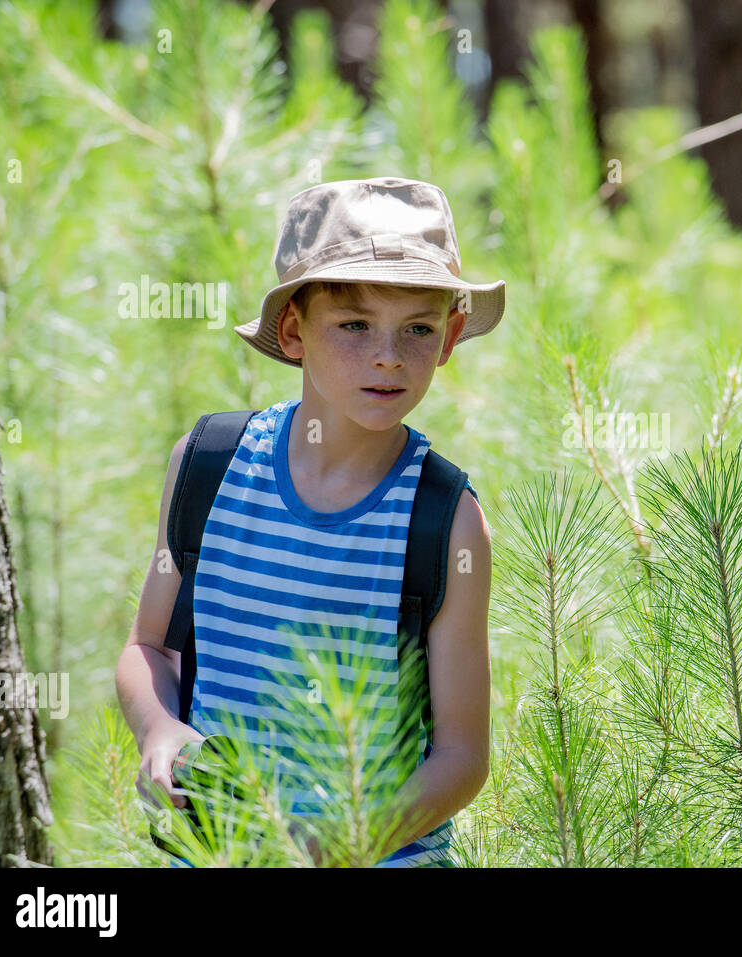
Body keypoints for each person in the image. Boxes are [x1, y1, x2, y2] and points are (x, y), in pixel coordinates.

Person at [115, 177, 502, 866]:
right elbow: (151, 648)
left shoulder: (444, 521)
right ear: (295, 331)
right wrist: (159, 730)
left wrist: (335, 847)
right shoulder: (208, 466)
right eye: (354, 324)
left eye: (418, 327)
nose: (388, 355)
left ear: (450, 338)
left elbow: (463, 756)